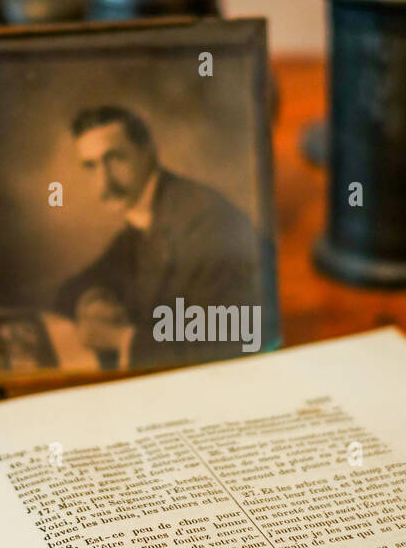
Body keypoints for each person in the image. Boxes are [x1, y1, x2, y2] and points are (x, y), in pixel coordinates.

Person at [55, 105, 262, 367]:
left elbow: (232, 341)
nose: (103, 183)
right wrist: (93, 301)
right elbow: (73, 287)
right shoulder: (141, 218)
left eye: (115, 159)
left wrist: (122, 340)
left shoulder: (209, 224)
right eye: (91, 166)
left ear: (148, 152)